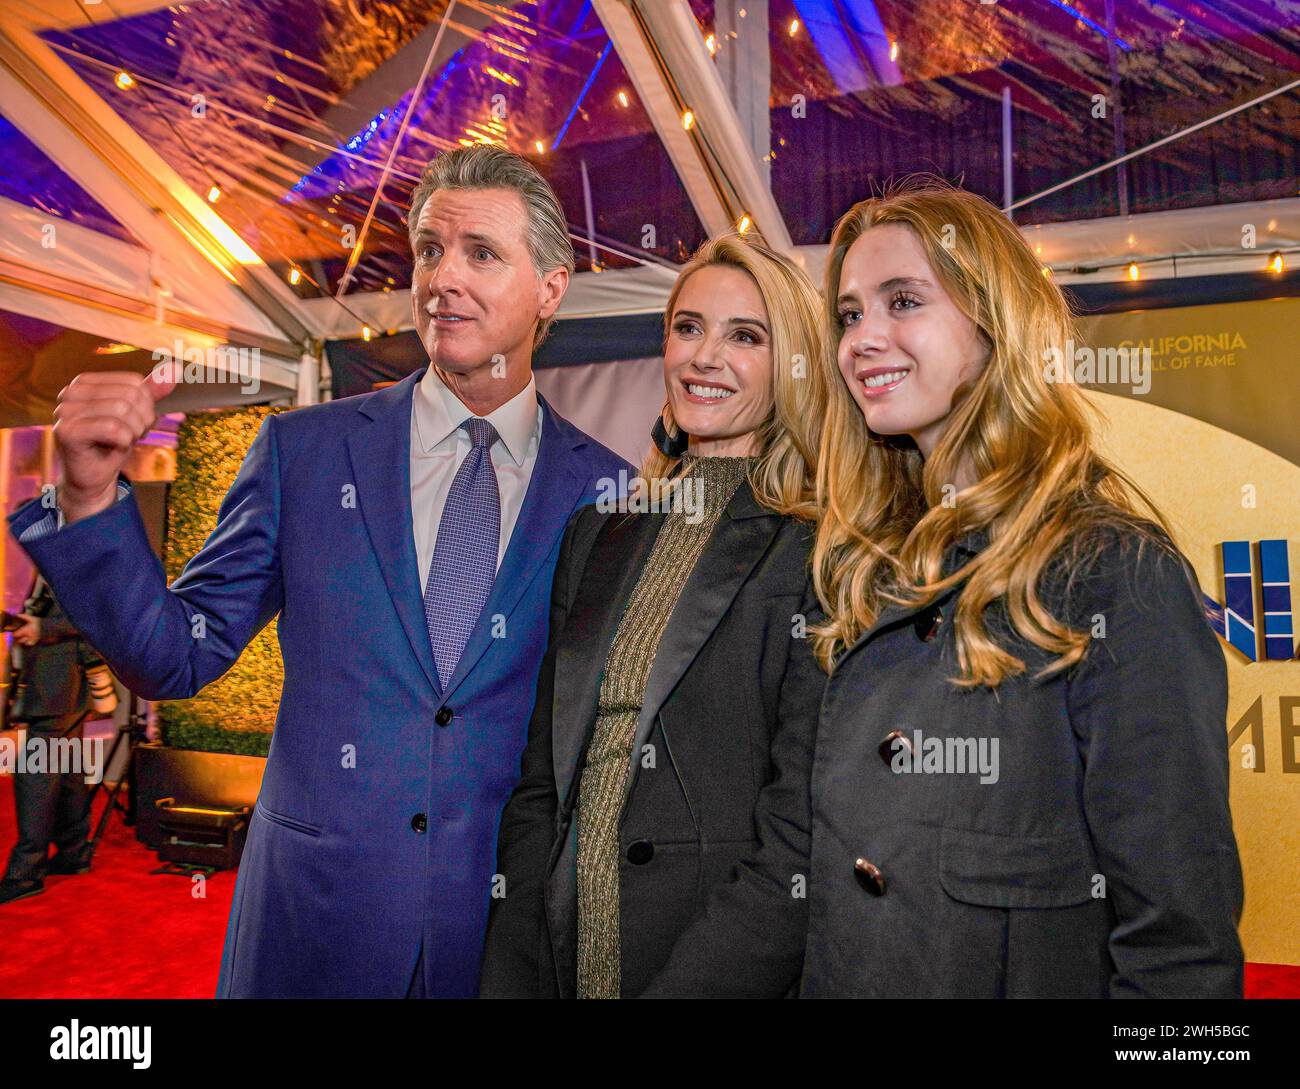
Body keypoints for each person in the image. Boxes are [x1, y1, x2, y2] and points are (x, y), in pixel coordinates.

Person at [7, 145, 632, 997]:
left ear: (550, 289)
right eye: (428, 250)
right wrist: (86, 497)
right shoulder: (304, 453)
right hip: (314, 922)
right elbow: (173, 655)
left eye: (481, 253)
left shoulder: (607, 491)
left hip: (502, 938)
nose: (442, 277)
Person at [645, 182, 1244, 998]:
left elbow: (1182, 951)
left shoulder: (1111, 571)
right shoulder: (852, 572)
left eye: (903, 301)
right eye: (850, 314)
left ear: (994, 325)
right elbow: (794, 855)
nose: (864, 339)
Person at [480, 235, 828, 998]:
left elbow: (798, 834)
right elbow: (542, 783)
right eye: (688, 326)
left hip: (706, 964)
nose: (706, 356)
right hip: (560, 955)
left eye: (746, 336)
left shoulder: (821, 547)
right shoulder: (598, 533)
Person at [0, 577, 98, 905]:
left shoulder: (74, 557)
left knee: (35, 777)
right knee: (68, 772)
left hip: (57, 686)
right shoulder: (63, 557)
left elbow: (95, 617)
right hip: (64, 686)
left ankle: (25, 873)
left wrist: (43, 628)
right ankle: (74, 852)